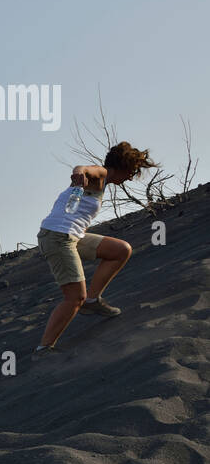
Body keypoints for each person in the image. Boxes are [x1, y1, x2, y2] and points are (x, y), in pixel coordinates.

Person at [34, 141, 155, 354]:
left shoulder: (104, 183)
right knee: (74, 298)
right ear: (122, 166)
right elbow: (84, 168)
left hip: (72, 236)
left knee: (121, 250)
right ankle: (44, 348)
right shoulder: (101, 174)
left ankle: (92, 299)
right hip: (57, 238)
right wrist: (79, 174)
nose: (130, 177)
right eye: (131, 172)